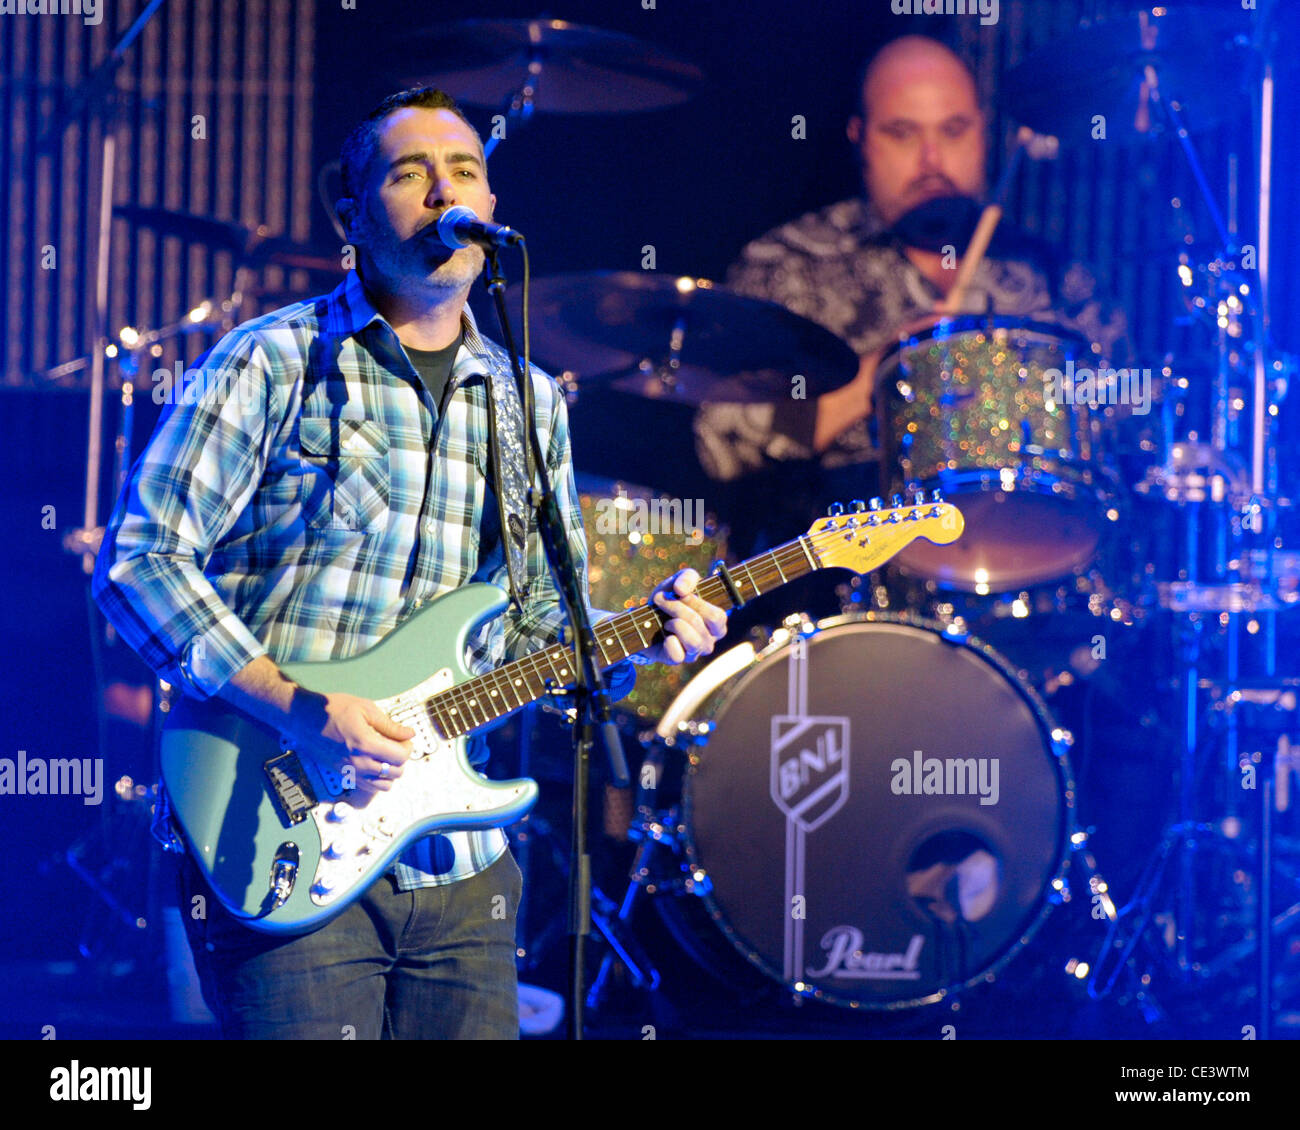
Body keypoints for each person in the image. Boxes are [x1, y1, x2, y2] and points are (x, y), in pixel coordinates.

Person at [92, 86, 727, 1040]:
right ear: (350, 216)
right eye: (410, 172)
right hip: (279, 836)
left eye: (465, 170)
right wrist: (300, 708)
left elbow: (539, 630)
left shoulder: (530, 405)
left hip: (459, 867)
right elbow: (138, 561)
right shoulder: (271, 360)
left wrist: (641, 637)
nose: (444, 190)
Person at [694, 34, 1130, 570]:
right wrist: (882, 374)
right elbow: (720, 446)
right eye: (902, 134)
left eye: (954, 131)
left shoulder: (1058, 283)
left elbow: (1127, 448)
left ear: (983, 132)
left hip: (1029, 583)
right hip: (834, 602)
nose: (931, 161)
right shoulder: (786, 267)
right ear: (860, 138)